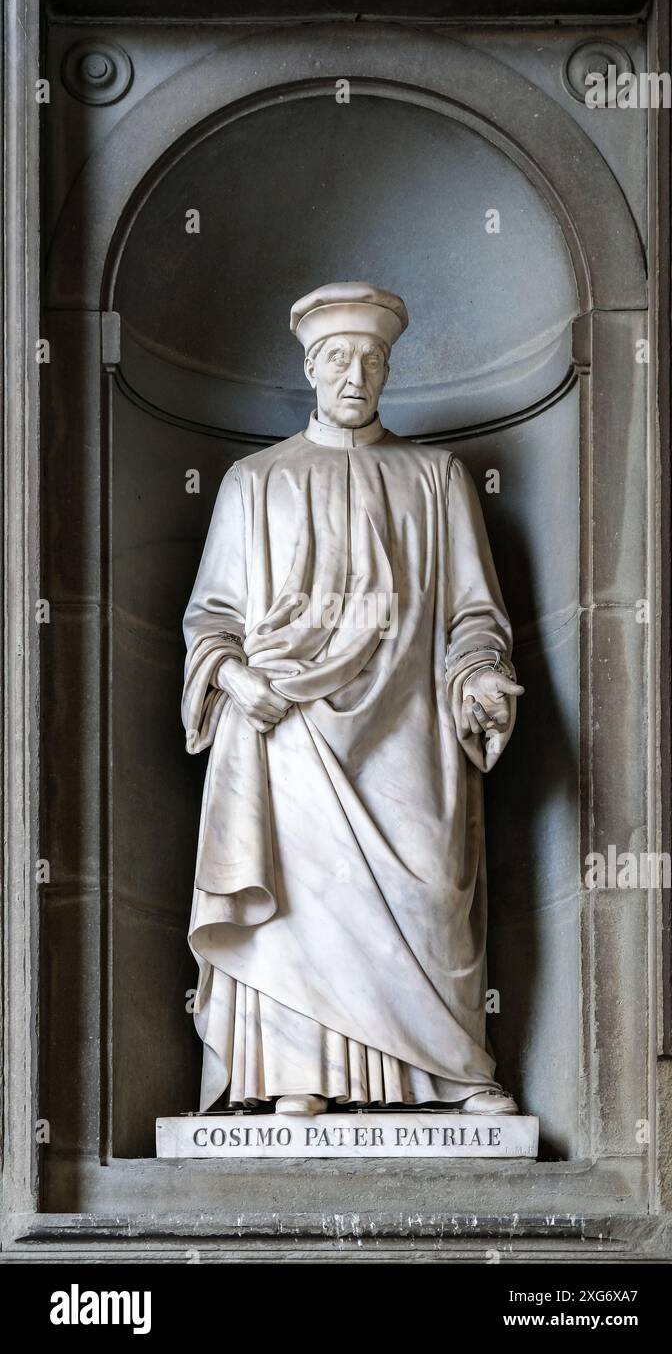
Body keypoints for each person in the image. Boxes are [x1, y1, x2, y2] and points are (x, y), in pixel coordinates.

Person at [182, 282, 523, 1118]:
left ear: (388, 370)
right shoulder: (253, 482)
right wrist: (234, 679)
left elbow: (474, 614)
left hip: (410, 733)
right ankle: (297, 1073)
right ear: (310, 366)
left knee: (430, 885)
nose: (355, 373)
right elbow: (211, 618)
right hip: (287, 733)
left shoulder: (436, 477)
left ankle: (451, 1069)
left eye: (372, 358)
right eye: (338, 357)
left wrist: (479, 674)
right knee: (302, 900)